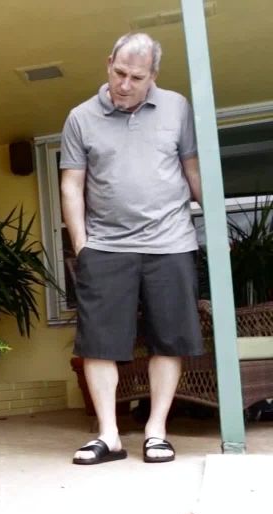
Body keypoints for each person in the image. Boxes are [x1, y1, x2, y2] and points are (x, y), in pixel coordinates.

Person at [60, 32, 204, 465]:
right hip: (105, 245)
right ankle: (109, 435)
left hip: (171, 241)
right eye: (119, 72)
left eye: (136, 77)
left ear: (152, 76)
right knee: (98, 342)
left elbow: (191, 168)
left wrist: (213, 223)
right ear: (109, 64)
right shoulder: (81, 118)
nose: (125, 84)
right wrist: (82, 247)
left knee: (169, 338)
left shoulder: (177, 107)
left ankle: (156, 431)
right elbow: (72, 184)